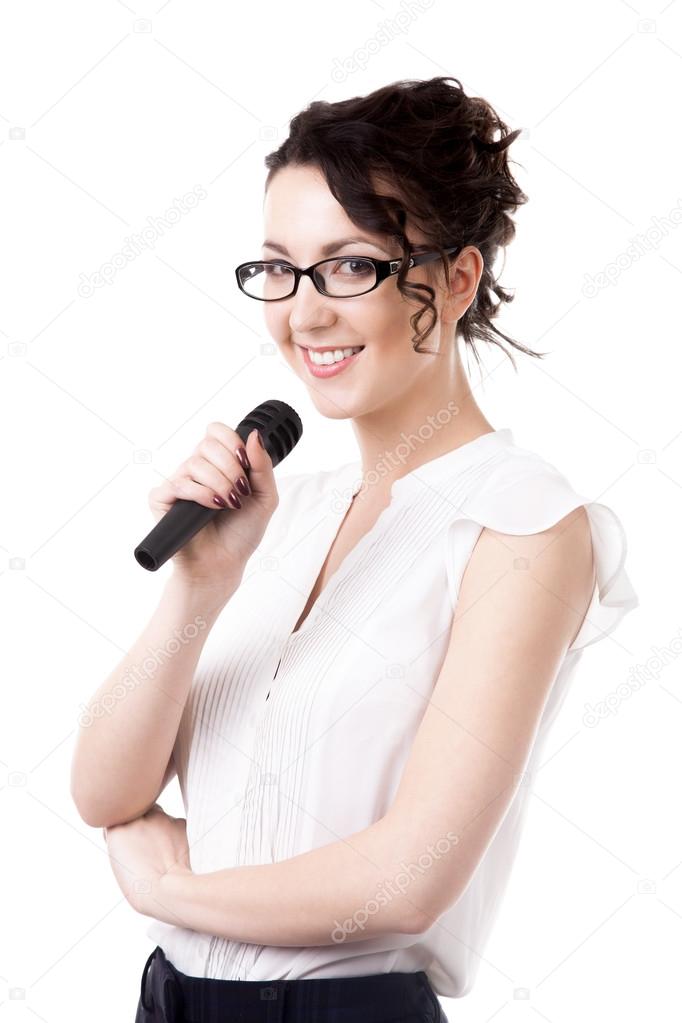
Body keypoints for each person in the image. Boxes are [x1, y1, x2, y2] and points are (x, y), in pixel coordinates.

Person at [72, 76, 638, 1023]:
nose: (304, 313)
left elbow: (405, 881)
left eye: (349, 266)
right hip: (168, 1003)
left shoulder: (524, 522)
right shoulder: (281, 512)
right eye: (278, 269)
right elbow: (104, 790)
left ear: (456, 279)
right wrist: (199, 590)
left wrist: (168, 888)